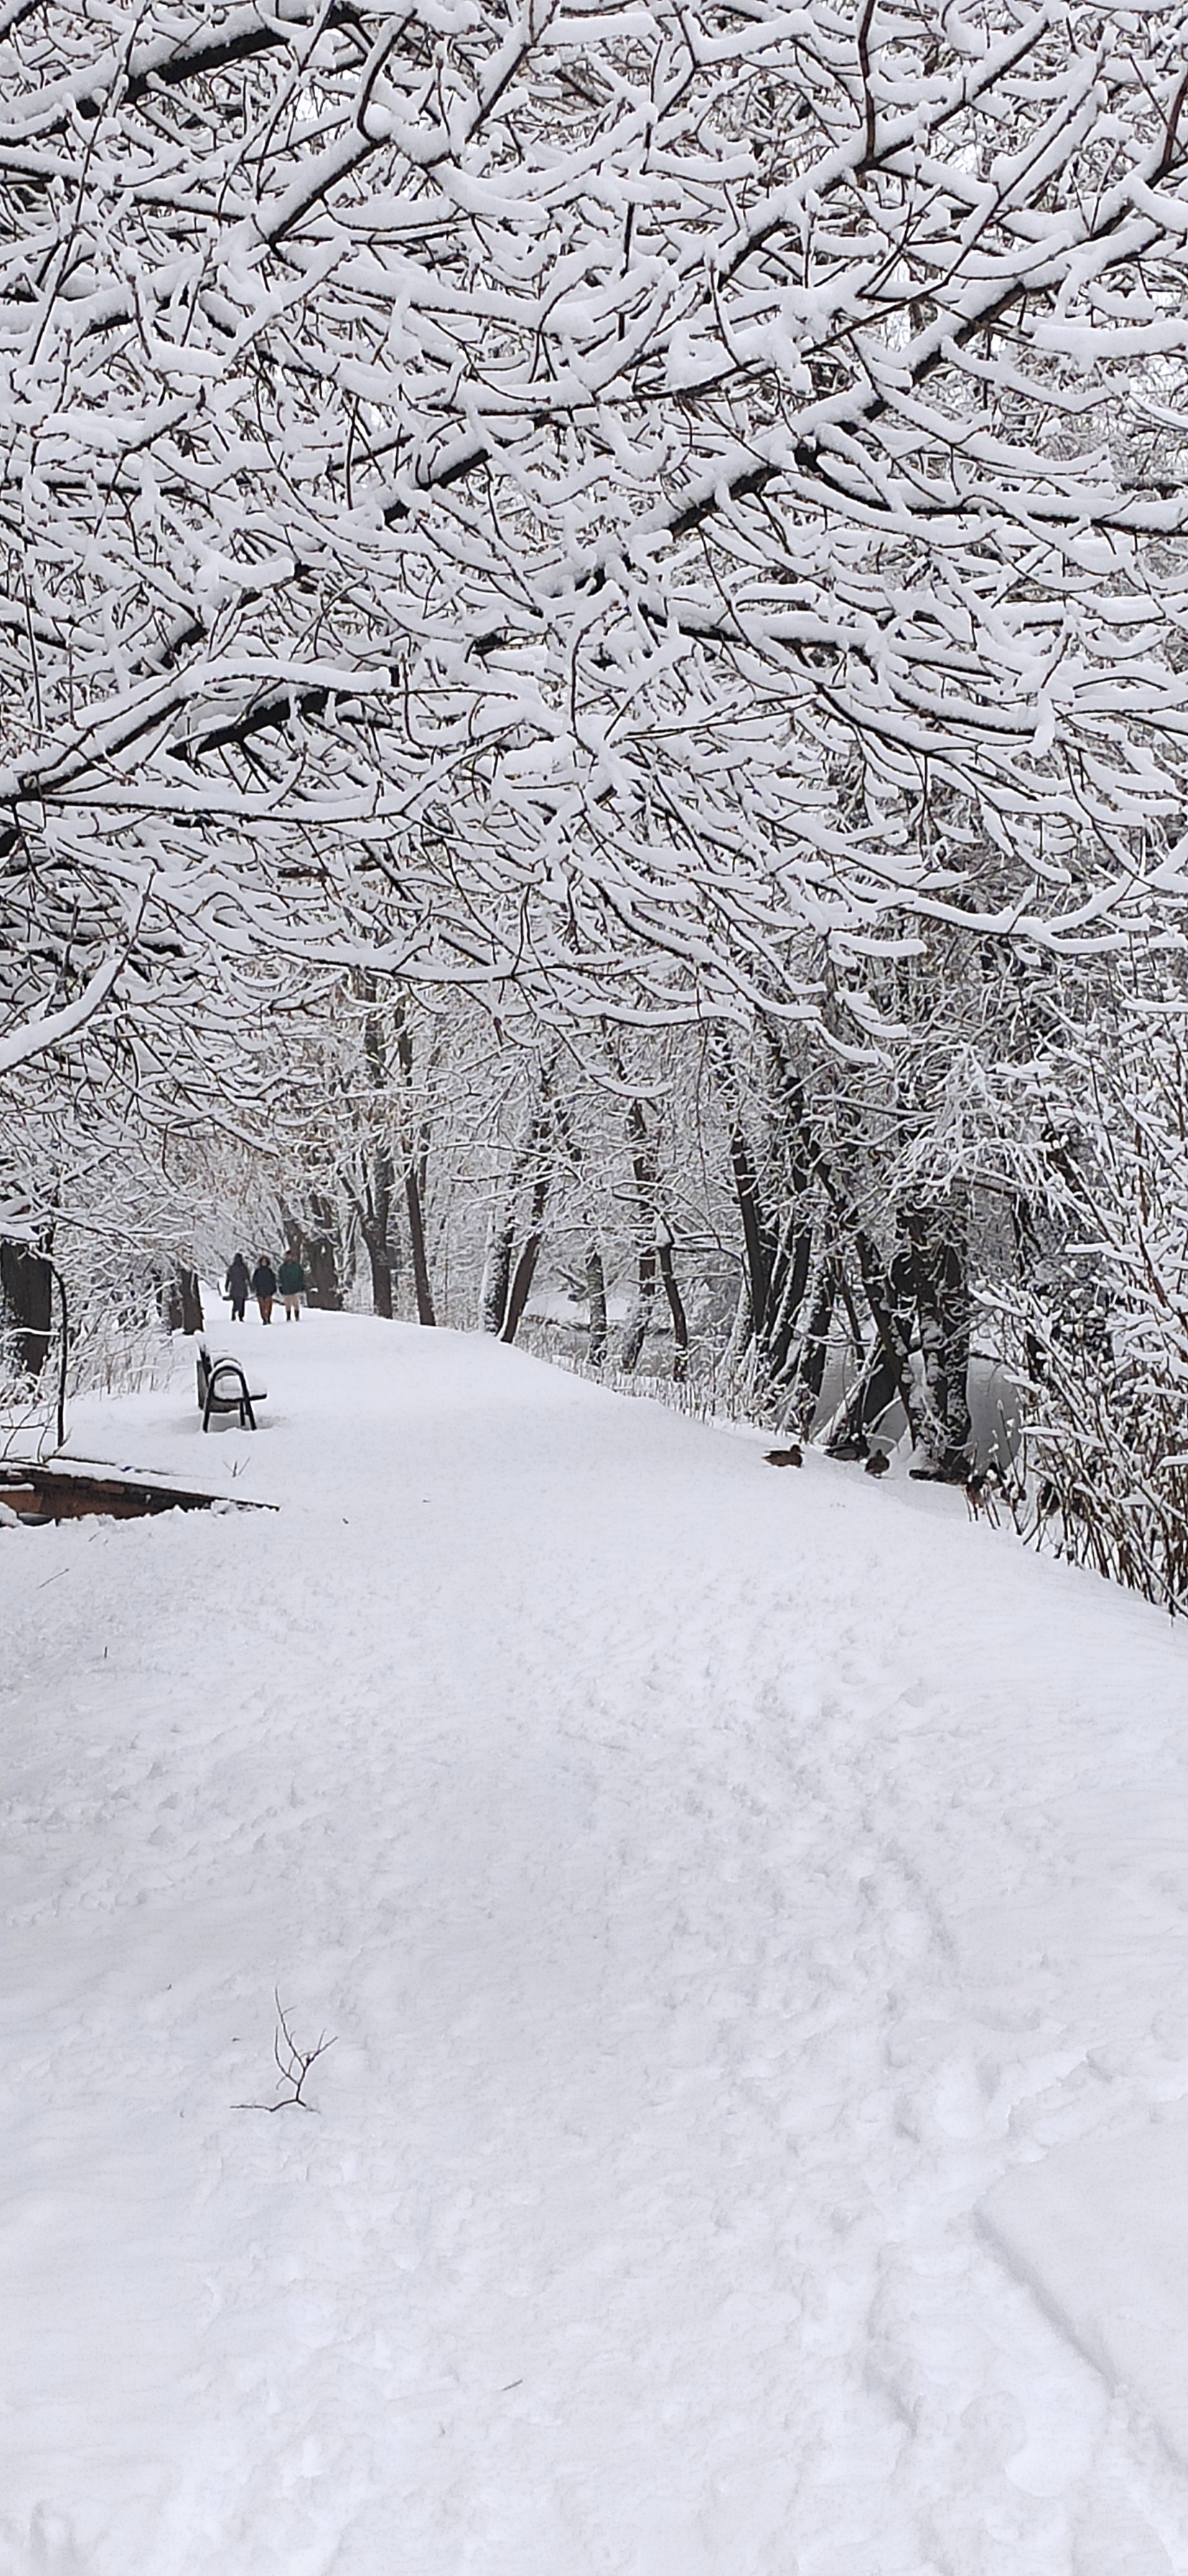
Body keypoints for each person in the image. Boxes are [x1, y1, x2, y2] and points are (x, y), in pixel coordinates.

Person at [278, 1253, 306, 1321]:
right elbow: (280, 1278)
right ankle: (288, 1317)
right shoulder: (283, 1267)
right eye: (287, 1256)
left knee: (296, 1303)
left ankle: (297, 1316)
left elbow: (301, 1276)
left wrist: (302, 1284)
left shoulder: (297, 1266)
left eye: (290, 1256)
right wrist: (281, 1286)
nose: (288, 1258)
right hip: (286, 1288)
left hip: (296, 1287)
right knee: (287, 1304)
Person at [251, 1255, 277, 1323]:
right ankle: (264, 1319)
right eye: (263, 1262)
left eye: (265, 1262)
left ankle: (268, 1317)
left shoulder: (270, 1271)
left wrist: (274, 1288)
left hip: (268, 1291)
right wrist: (254, 1288)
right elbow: (254, 1281)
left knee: (268, 1306)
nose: (264, 1263)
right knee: (262, 1306)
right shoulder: (257, 1271)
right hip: (260, 1291)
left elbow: (273, 1281)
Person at [224, 1252, 250, 1323]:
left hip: (238, 1286)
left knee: (239, 1302)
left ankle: (237, 1315)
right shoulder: (240, 1267)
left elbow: (247, 1277)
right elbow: (229, 1277)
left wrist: (227, 1285)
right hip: (238, 1286)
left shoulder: (235, 1267)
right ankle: (238, 1315)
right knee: (239, 1302)